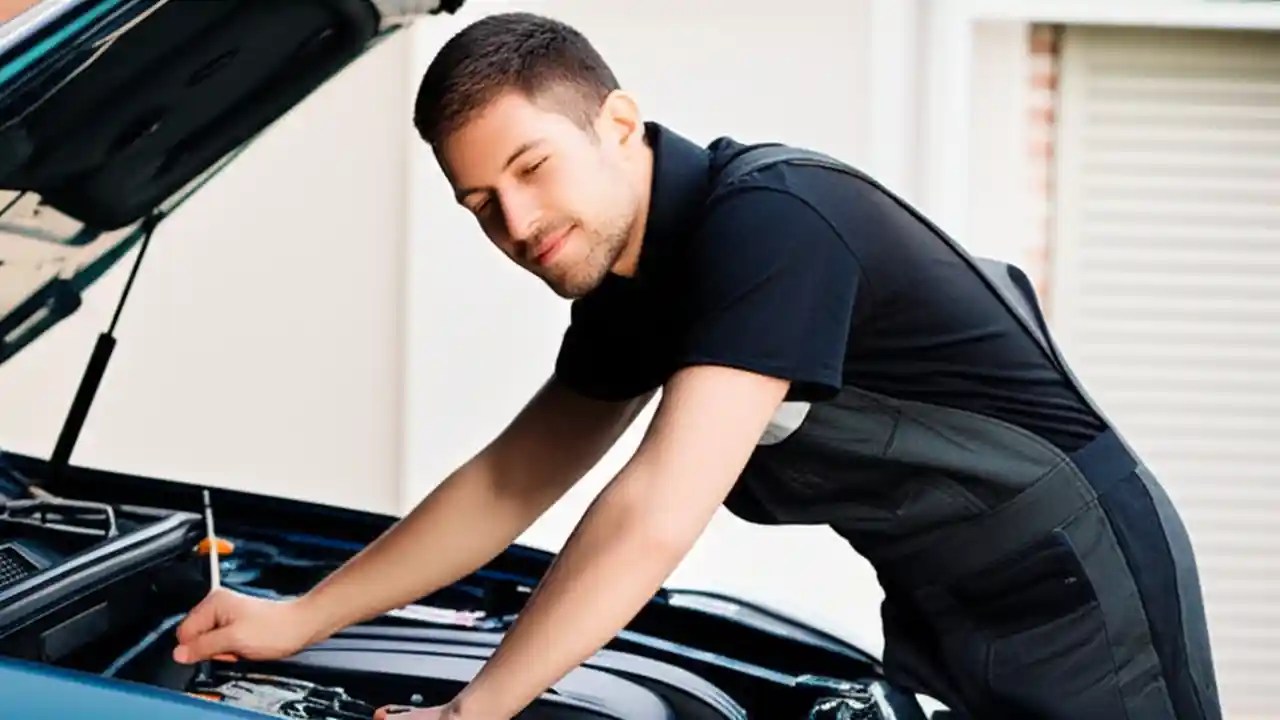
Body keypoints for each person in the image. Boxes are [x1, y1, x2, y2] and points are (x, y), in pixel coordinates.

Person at [171, 12, 1222, 720]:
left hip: (1081, 586)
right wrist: (300, 616)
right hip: (943, 593)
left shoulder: (770, 221)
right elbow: (506, 482)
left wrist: (479, 710)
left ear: (618, 123)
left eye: (532, 167)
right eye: (480, 204)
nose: (518, 223)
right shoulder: (634, 282)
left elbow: (654, 511)